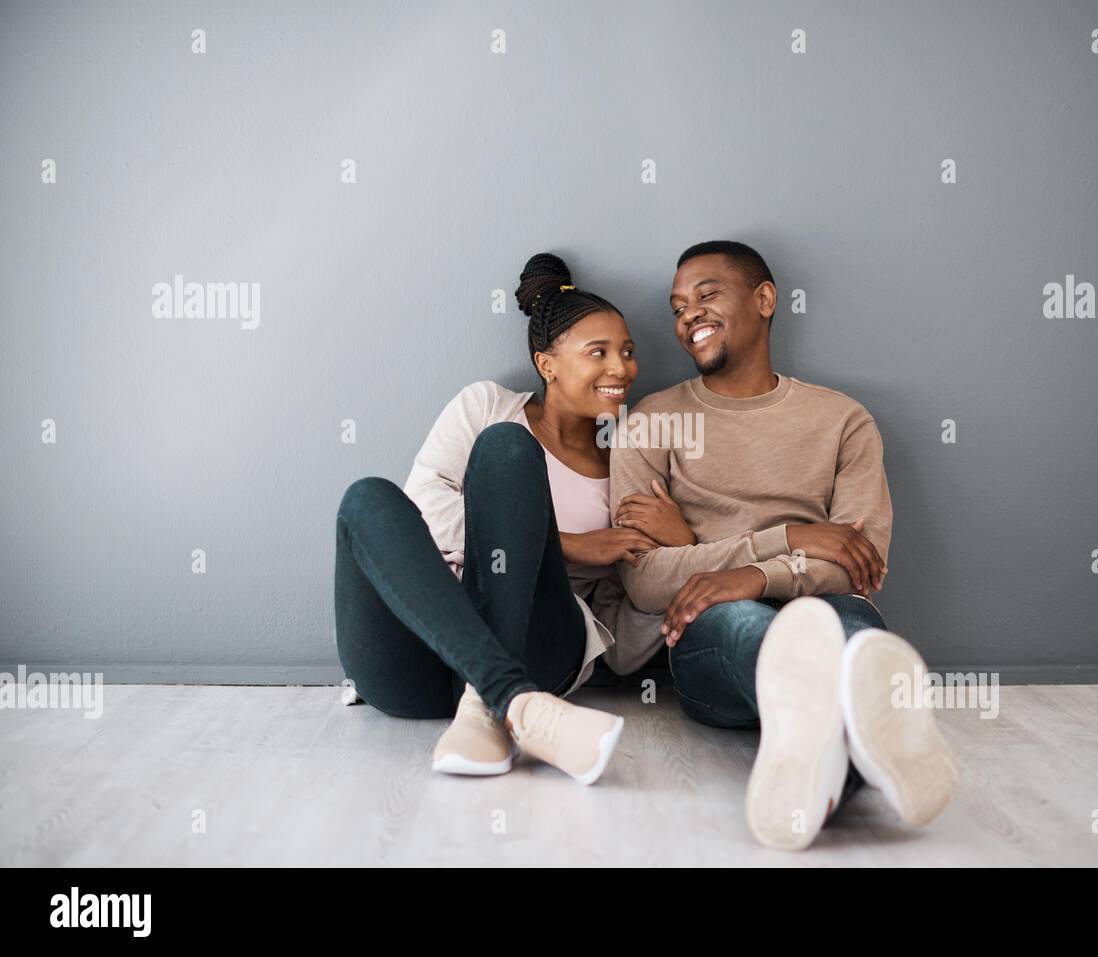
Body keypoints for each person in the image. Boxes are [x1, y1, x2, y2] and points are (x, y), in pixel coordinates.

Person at [610, 240, 960, 845]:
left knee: (848, 629)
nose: (687, 315)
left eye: (707, 295)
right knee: (741, 621)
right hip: (713, 630)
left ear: (765, 299)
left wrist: (752, 572)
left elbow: (859, 568)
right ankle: (866, 739)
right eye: (677, 307)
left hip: (825, 605)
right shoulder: (650, 421)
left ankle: (818, 755)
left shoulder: (843, 420)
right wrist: (791, 540)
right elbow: (643, 581)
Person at [334, 253, 694, 785]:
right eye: (599, 352)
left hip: (536, 643)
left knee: (508, 452)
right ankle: (513, 706)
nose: (622, 369)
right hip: (416, 665)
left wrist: (681, 547)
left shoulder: (630, 457)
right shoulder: (487, 405)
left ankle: (495, 699)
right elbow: (420, 507)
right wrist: (567, 544)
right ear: (547, 364)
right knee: (367, 498)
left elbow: (632, 611)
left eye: (628, 353)